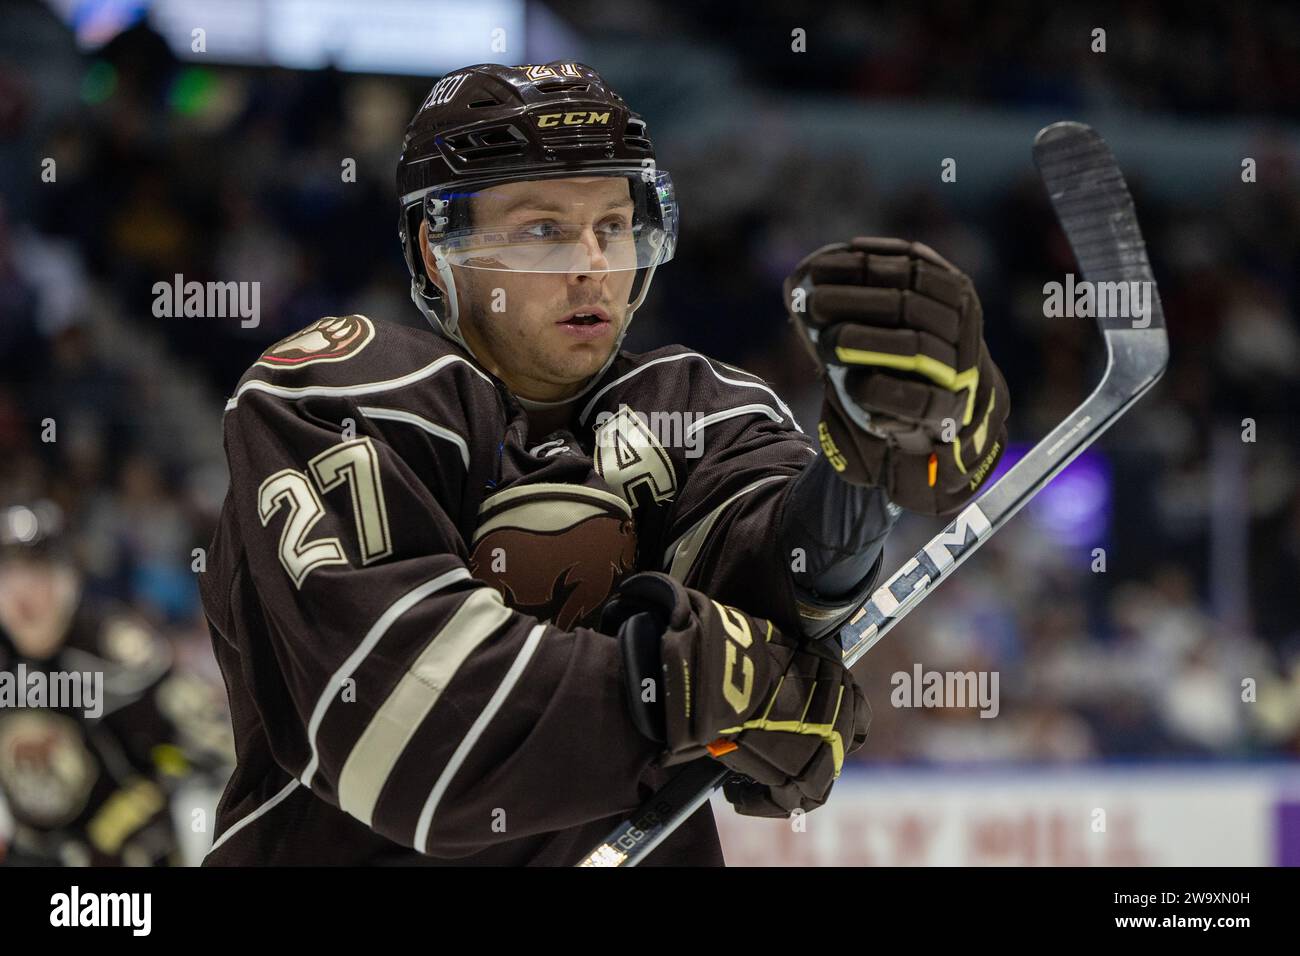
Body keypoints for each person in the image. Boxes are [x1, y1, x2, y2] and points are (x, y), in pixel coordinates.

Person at [198, 62, 1008, 865]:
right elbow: (415, 736)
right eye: (542, 230)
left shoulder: (696, 403)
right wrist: (682, 686)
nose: (591, 265)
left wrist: (870, 458)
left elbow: (786, 583)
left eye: (613, 227)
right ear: (437, 250)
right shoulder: (335, 399)